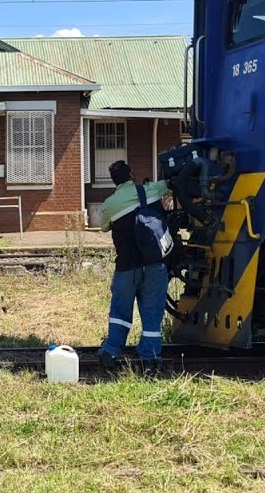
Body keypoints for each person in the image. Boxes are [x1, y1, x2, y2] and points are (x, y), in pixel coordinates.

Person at [96, 159, 170, 375]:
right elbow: (169, 185)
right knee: (152, 315)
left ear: (114, 181)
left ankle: (111, 352)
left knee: (120, 312)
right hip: (154, 266)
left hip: (127, 268)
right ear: (131, 175)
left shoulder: (109, 204)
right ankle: (150, 360)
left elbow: (104, 226)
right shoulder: (151, 190)